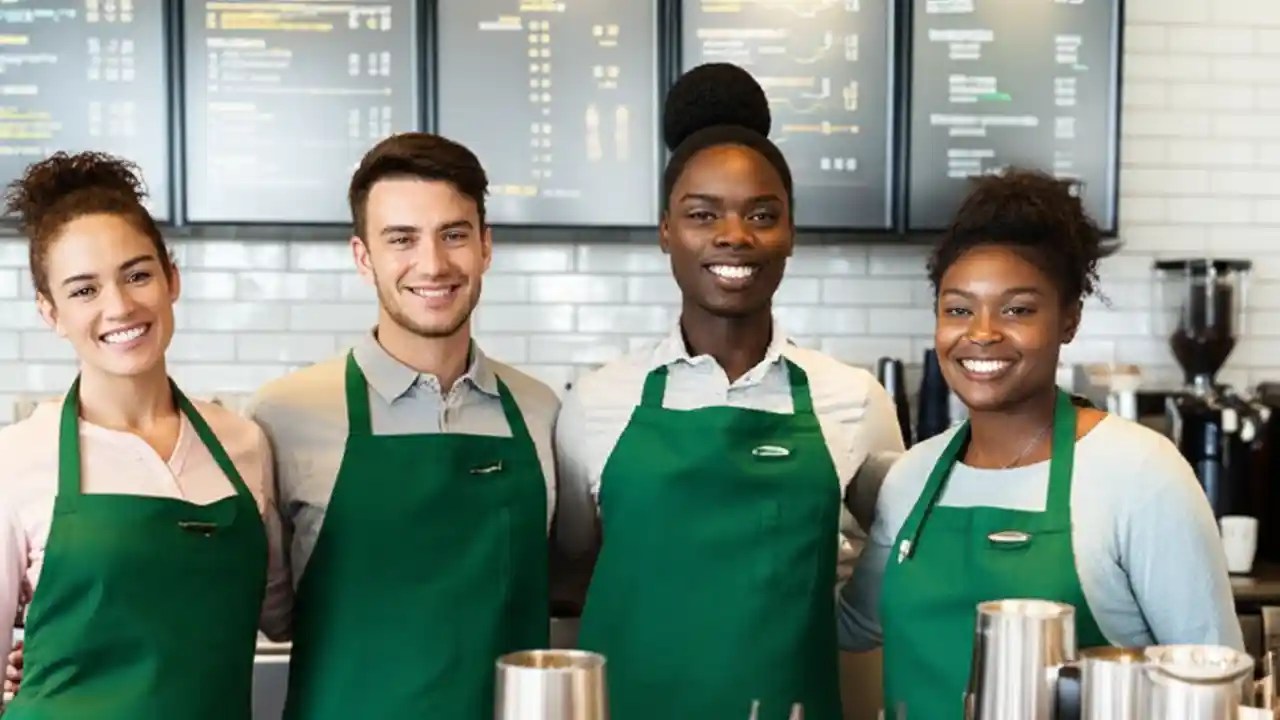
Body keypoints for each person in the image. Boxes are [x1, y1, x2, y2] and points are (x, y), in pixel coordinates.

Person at [554, 63, 905, 720]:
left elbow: (887, 567)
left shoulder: (854, 400)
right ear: (666, 231)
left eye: (762, 214)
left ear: (791, 232)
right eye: (701, 214)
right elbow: (574, 567)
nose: (734, 236)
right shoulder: (596, 402)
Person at [837, 169, 1244, 718]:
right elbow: (854, 625)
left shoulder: (1139, 474)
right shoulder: (912, 477)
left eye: (1018, 309)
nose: (981, 332)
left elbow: (1217, 685)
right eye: (958, 308)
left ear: (1069, 319)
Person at [246, 132, 560, 719]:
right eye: (402, 240)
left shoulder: (541, 412)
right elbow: (268, 611)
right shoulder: (282, 416)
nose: (433, 264)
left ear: (486, 247)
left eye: (454, 235)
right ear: (363, 257)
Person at [0, 151, 291, 718]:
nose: (120, 306)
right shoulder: (15, 458)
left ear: (171, 279)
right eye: (84, 290)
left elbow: (280, 613)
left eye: (137, 275)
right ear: (50, 312)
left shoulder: (242, 444)